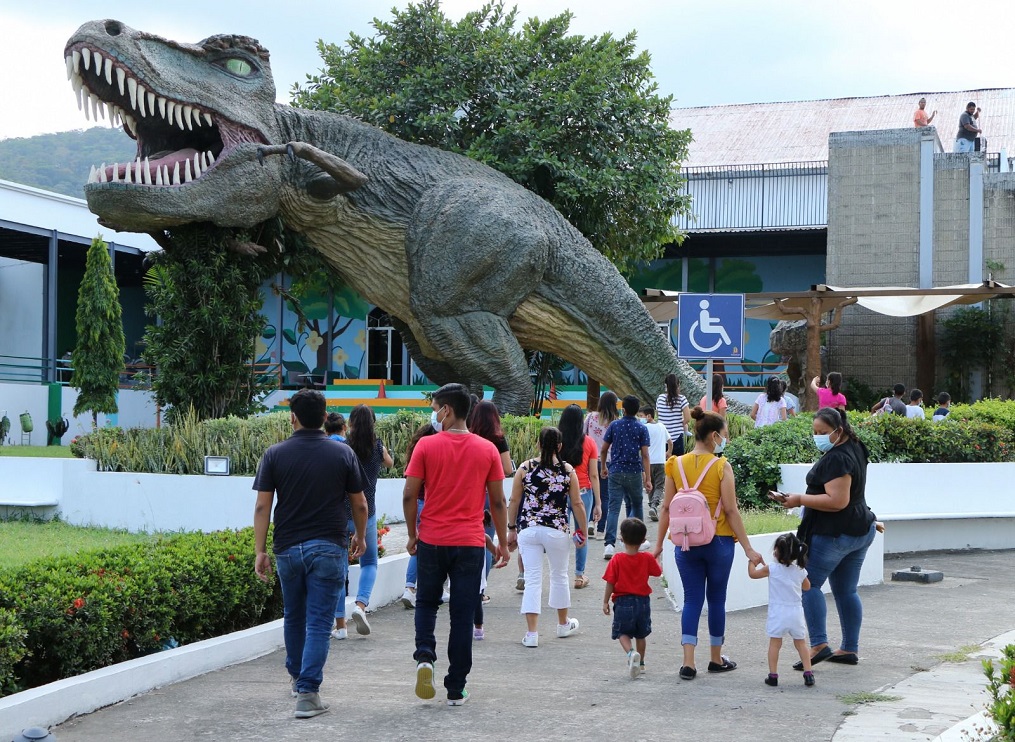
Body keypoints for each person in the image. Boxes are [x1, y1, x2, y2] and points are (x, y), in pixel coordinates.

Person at [253, 389, 366, 719]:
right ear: (325, 416)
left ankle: (296, 678)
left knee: (294, 615)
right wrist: (360, 535)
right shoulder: (342, 453)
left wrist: (260, 550)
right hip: (329, 546)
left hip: (287, 547)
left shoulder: (274, 454)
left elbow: (262, 506)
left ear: (293, 417)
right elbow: (359, 503)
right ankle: (308, 693)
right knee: (318, 622)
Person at [403, 383, 509, 707]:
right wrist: (502, 543)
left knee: (426, 603)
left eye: (435, 409)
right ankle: (456, 687)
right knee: (462, 615)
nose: (434, 415)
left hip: (432, 540)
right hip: (470, 544)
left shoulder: (426, 446)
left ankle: (425, 657)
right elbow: (498, 502)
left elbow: (409, 495)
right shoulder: (487, 450)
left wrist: (412, 534)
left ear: (446, 410)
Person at [653, 406, 763, 681]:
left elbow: (665, 508)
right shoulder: (721, 466)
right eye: (724, 435)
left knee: (692, 600)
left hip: (685, 542)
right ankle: (715, 658)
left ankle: (688, 663)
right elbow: (731, 511)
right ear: (714, 436)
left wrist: (658, 545)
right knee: (716, 599)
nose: (726, 439)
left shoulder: (675, 464)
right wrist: (748, 548)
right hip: (719, 542)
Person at [770, 407, 878, 670]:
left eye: (823, 432)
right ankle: (849, 648)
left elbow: (838, 501)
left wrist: (799, 499)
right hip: (860, 528)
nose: (817, 437)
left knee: (809, 585)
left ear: (838, 431)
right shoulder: (856, 446)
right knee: (847, 590)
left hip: (834, 533)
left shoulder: (837, 458)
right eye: (815, 431)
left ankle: (819, 644)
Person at [507, 426, 587, 648]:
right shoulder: (568, 471)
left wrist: (511, 528)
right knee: (559, 575)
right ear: (559, 446)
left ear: (539, 444)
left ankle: (532, 634)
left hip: (529, 529)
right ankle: (563, 624)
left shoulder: (525, 468)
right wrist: (582, 530)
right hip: (556, 530)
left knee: (532, 579)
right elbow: (577, 503)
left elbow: (514, 501)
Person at [333, 404, 393, 639]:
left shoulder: (343, 448)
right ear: (373, 424)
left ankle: (340, 626)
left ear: (351, 423)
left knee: (339, 569)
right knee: (369, 563)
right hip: (367, 513)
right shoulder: (378, 447)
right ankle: (360, 605)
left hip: (341, 513)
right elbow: (390, 463)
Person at [747, 532, 815, 688]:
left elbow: (752, 574)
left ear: (777, 552)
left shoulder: (771, 569)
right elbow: (807, 587)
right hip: (795, 612)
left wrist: (752, 562)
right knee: (801, 644)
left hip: (778, 613)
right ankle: (808, 674)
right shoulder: (799, 570)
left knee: (775, 644)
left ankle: (773, 676)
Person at [603, 518, 662, 678]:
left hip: (623, 602)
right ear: (643, 540)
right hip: (643, 602)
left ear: (621, 538)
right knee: (641, 634)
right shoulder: (647, 558)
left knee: (622, 633)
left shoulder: (617, 559)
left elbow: (610, 582)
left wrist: (605, 601)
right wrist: (656, 557)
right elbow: (658, 572)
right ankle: (641, 663)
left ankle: (631, 653)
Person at [467, 400, 513, 602]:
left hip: (471, 493)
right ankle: (480, 589)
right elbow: (507, 469)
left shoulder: (469, 437)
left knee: (473, 539)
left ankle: (469, 585)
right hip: (490, 494)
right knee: (487, 540)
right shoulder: (498, 439)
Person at [601, 395, 652, 558]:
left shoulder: (614, 425)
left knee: (614, 508)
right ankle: (638, 541)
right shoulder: (642, 428)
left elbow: (603, 449)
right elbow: (645, 455)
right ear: (637, 411)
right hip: (634, 471)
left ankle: (609, 545)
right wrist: (648, 478)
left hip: (615, 470)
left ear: (623, 409)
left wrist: (603, 467)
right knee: (637, 505)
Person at [559, 404, 602, 589]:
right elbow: (594, 475)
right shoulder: (589, 443)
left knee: (560, 533)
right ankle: (579, 575)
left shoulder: (556, 441)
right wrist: (598, 503)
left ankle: (560, 572)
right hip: (583, 492)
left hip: (560, 492)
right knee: (581, 533)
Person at [400, 422, 438, 609]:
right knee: (428, 548)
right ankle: (412, 589)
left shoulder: (416, 453)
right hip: (429, 504)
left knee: (418, 546)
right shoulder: (434, 453)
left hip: (416, 503)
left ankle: (410, 587)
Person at [584, 391, 619, 540]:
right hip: (608, 461)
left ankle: (590, 522)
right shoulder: (615, 422)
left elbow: (583, 435)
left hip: (590, 460)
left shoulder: (591, 417)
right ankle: (600, 530)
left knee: (591, 492)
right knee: (605, 496)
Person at [637, 404, 672, 521]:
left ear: (648, 416)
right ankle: (654, 506)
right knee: (659, 486)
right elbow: (670, 442)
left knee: (649, 484)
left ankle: (652, 506)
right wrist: (668, 452)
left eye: (641, 416)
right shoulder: (662, 426)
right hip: (660, 462)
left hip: (647, 462)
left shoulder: (643, 428)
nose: (640, 418)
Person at [656, 373, 690, 457]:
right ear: (678, 386)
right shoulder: (681, 399)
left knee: (664, 463)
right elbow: (687, 418)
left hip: (663, 437)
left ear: (665, 386)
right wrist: (679, 424)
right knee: (678, 463)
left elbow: (658, 415)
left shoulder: (660, 398)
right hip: (677, 437)